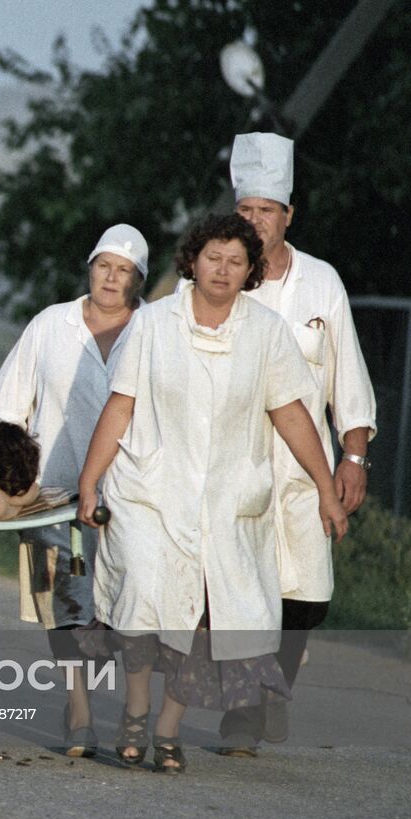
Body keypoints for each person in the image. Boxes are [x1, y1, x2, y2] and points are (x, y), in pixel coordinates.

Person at [77, 213, 348, 775]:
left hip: (227, 499)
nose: (223, 270)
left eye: (236, 261)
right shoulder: (152, 323)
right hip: (149, 492)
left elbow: (293, 413)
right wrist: (89, 480)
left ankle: (168, 727)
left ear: (250, 270)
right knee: (142, 597)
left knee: (203, 614)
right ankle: (134, 711)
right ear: (192, 261)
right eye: (213, 258)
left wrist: (326, 487)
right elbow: (120, 405)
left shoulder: (266, 331)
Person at [217, 132, 377, 756]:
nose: (255, 222)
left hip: (306, 469)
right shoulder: (219, 276)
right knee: (237, 587)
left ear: (289, 215)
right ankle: (239, 709)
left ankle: (275, 687)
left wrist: (354, 456)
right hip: (237, 461)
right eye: (246, 210)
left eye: (267, 211)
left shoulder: (321, 284)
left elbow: (349, 380)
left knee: (303, 593)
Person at [0, 223, 146, 757]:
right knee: (65, 602)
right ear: (90, 268)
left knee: (130, 603)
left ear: (138, 280)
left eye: (123, 271)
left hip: (132, 493)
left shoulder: (154, 330)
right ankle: (78, 708)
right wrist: (11, 479)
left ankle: (133, 710)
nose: (110, 277)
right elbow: (9, 403)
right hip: (53, 492)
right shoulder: (51, 324)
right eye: (104, 265)